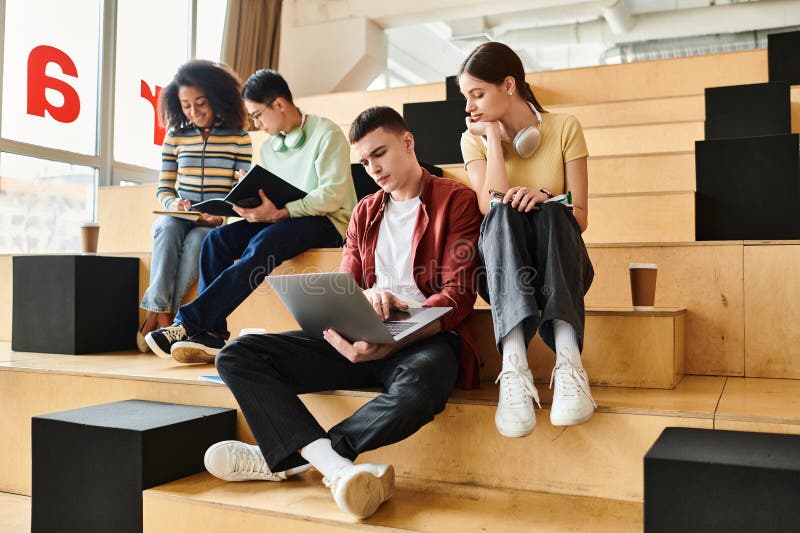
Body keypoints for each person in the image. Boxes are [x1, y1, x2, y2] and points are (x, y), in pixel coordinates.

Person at [201, 106, 482, 519]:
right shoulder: (365, 211)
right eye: (365, 162)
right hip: (359, 332)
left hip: (424, 338)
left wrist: (394, 340)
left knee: (420, 390)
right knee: (237, 356)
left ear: (408, 143)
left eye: (380, 154)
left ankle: (299, 457)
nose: (373, 169)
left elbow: (458, 295)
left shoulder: (455, 200)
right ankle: (333, 467)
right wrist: (362, 303)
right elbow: (344, 283)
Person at [145, 69, 356, 362]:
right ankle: (213, 333)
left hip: (329, 222)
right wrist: (251, 203)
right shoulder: (270, 146)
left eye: (258, 115)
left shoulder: (327, 133)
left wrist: (282, 212)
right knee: (216, 240)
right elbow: (274, 194)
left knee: (266, 241)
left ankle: (190, 323)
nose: (255, 123)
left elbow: (331, 195)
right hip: (283, 218)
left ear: (279, 105)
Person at [458, 42, 596, 438]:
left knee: (555, 209)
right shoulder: (473, 139)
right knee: (502, 211)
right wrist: (490, 140)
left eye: (478, 94)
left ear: (508, 85)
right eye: (466, 97)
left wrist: (545, 197)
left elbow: (581, 216)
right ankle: (514, 367)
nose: (470, 106)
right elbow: (488, 206)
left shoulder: (565, 127)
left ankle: (570, 363)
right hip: (505, 270)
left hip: (561, 258)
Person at [137, 60, 252, 353]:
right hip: (180, 214)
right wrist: (172, 202)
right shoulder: (175, 136)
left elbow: (242, 190)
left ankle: (165, 320)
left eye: (200, 103)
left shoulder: (239, 138)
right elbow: (164, 187)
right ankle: (163, 313)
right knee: (165, 227)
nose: (194, 111)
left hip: (213, 221)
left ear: (217, 98)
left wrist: (222, 212)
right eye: (185, 105)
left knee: (197, 245)